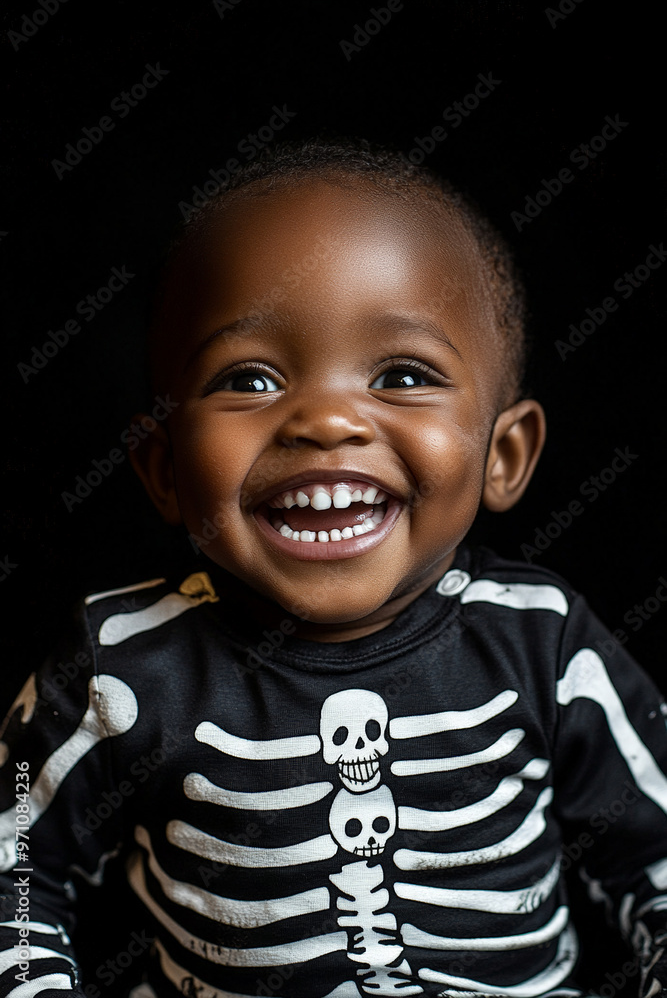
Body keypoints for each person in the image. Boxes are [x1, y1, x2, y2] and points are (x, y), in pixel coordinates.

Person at [0, 137, 666, 998]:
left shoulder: (545, 642)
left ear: (504, 454)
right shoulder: (115, 666)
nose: (323, 421)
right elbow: (13, 867)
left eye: (399, 374)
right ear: (163, 468)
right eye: (248, 380)